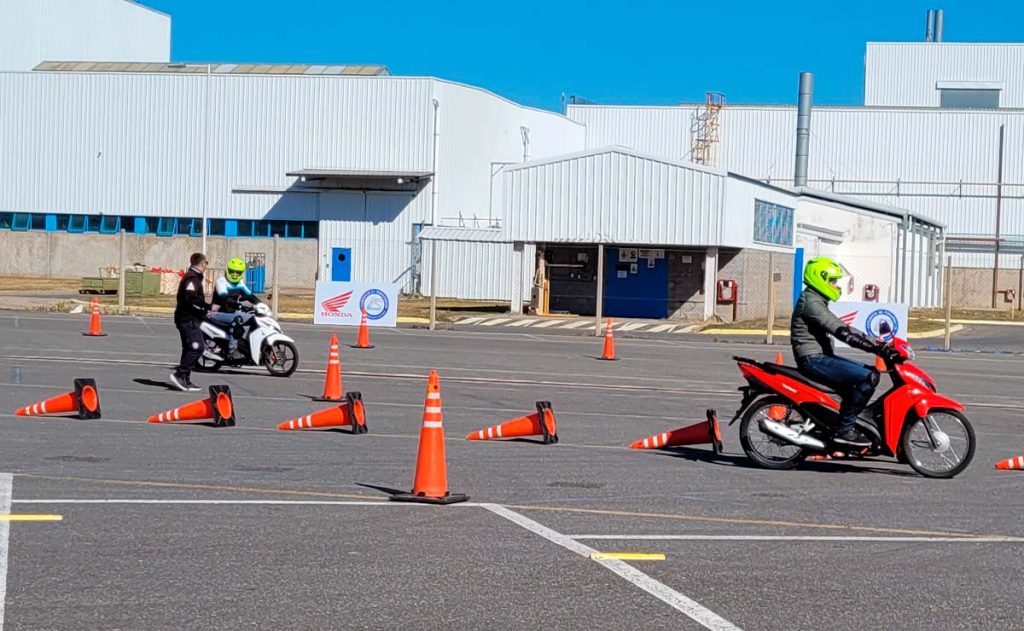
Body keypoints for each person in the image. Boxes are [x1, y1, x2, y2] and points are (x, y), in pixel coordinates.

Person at [790, 256, 901, 448]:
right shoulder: (811, 302)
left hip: (821, 357)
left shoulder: (816, 299)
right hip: (813, 359)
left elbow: (844, 326)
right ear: (820, 278)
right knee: (867, 377)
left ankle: (844, 422)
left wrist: (877, 343)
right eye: (833, 281)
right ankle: (844, 429)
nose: (836, 285)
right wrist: (872, 347)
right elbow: (839, 330)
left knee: (868, 374)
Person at [171, 252, 212, 392]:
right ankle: (180, 374)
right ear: (202, 264)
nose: (206, 265)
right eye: (206, 263)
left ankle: (185, 379)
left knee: (189, 347)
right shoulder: (192, 279)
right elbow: (190, 299)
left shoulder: (194, 278)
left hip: (189, 318)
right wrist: (206, 307)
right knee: (197, 347)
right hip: (188, 319)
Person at [207, 257, 262, 359]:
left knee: (255, 320)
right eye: (232, 271)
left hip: (231, 312)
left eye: (238, 272)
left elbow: (250, 296)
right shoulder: (221, 282)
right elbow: (225, 299)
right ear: (228, 270)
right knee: (236, 320)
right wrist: (240, 306)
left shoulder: (239, 283)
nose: (235, 274)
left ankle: (248, 346)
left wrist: (262, 305)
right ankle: (232, 350)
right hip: (217, 313)